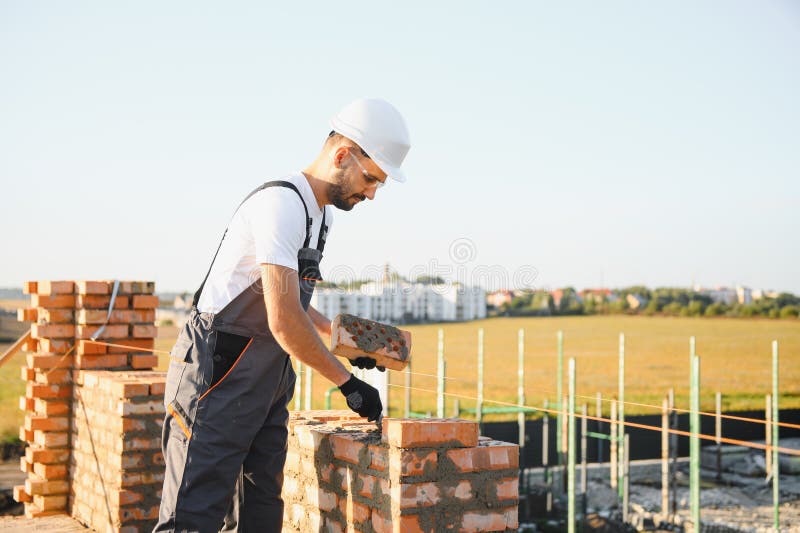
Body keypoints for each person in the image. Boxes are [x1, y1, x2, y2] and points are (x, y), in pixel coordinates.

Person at [153, 98, 411, 533]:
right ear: (342, 154)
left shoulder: (321, 215)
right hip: (217, 368)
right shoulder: (282, 204)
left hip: (268, 374)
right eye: (370, 179)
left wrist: (341, 339)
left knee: (260, 505)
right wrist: (348, 385)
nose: (371, 193)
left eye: (379, 185)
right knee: (194, 513)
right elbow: (283, 319)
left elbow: (292, 301)